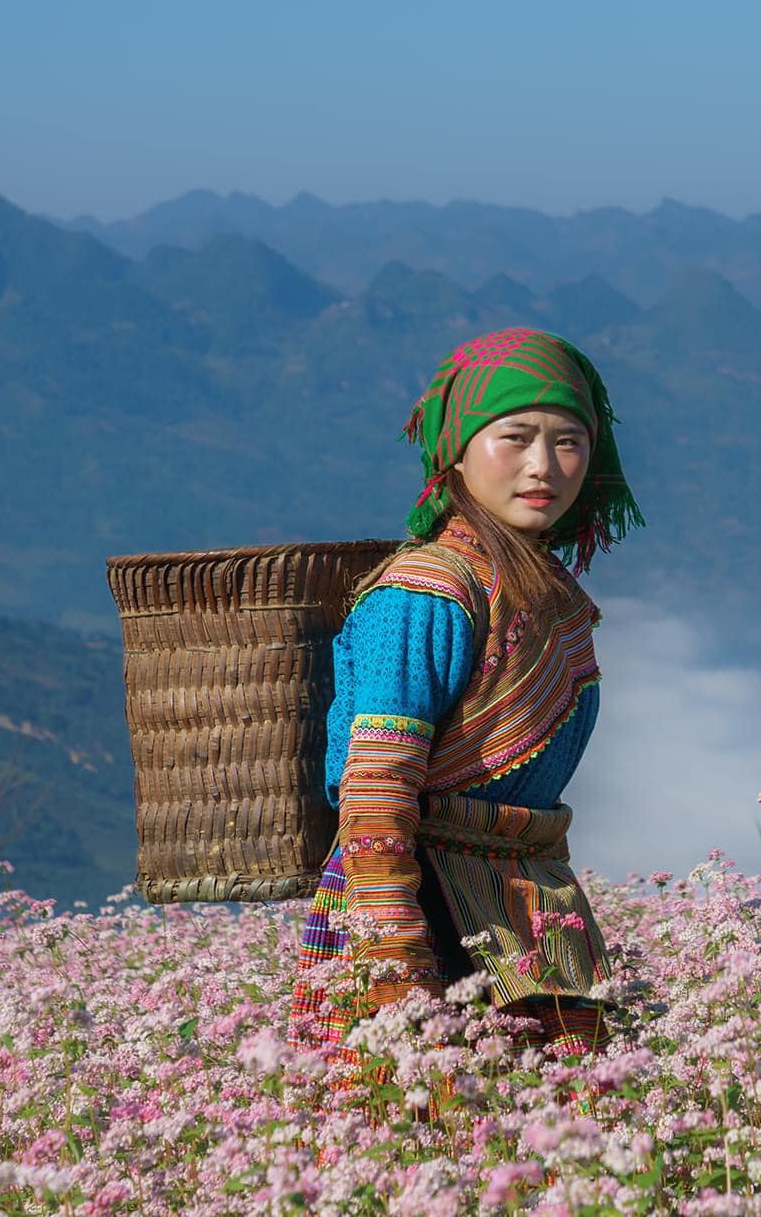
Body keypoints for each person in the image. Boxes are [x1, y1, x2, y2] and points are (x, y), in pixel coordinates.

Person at [286, 326, 644, 1089]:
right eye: (514, 438)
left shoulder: (542, 591)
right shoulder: (425, 595)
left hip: (525, 915)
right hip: (424, 923)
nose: (544, 466)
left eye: (568, 441)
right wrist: (396, 967)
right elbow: (376, 791)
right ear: (455, 450)